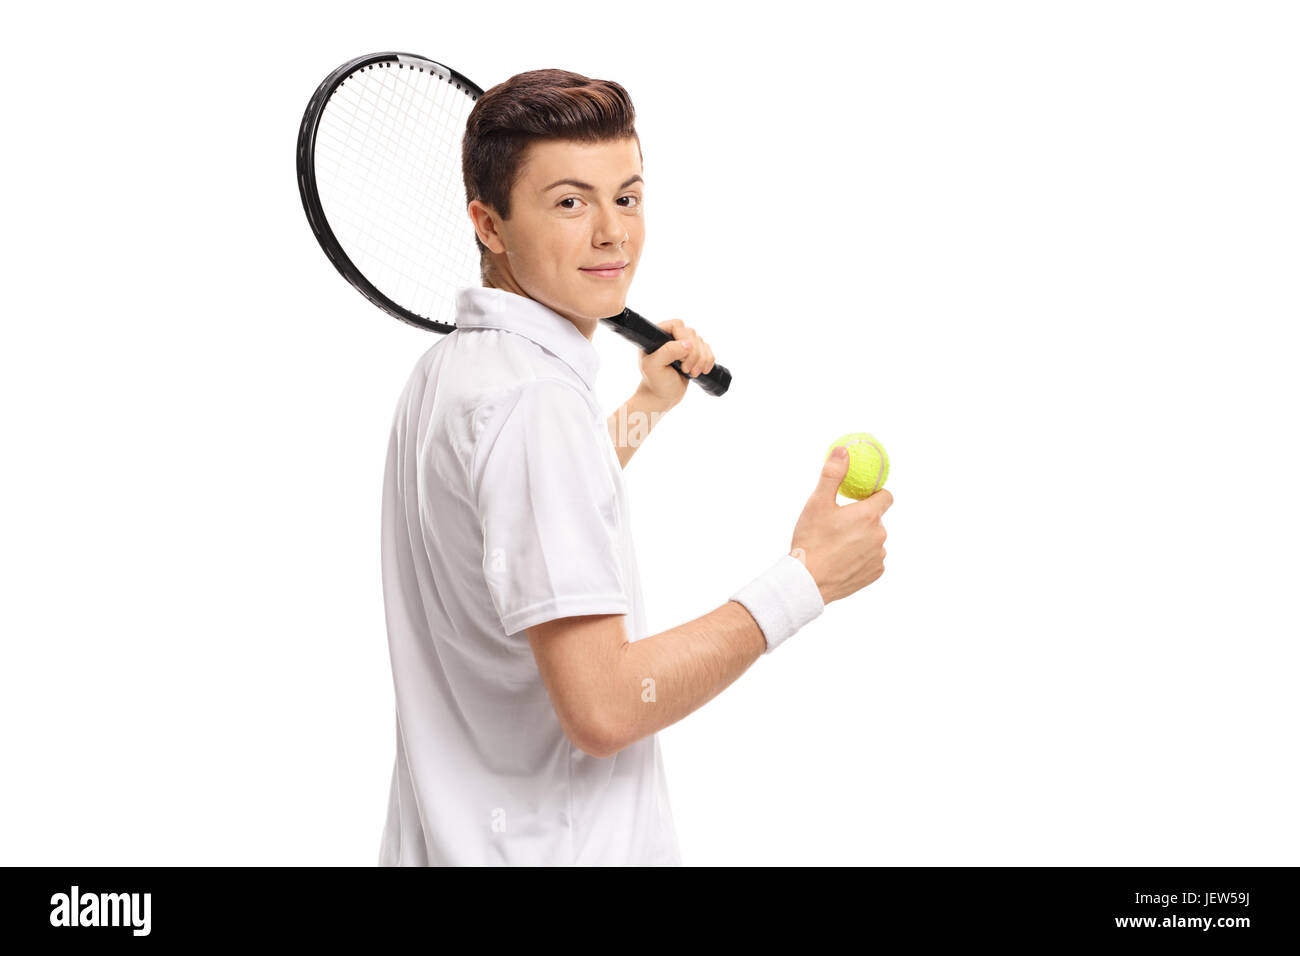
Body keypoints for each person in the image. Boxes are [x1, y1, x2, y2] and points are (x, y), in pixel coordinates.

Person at [377, 68, 893, 866]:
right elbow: (606, 709)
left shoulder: (457, 373)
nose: (614, 233)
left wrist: (646, 408)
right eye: (570, 202)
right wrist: (807, 577)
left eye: (628, 196)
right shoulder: (534, 405)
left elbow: (521, 526)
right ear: (490, 223)